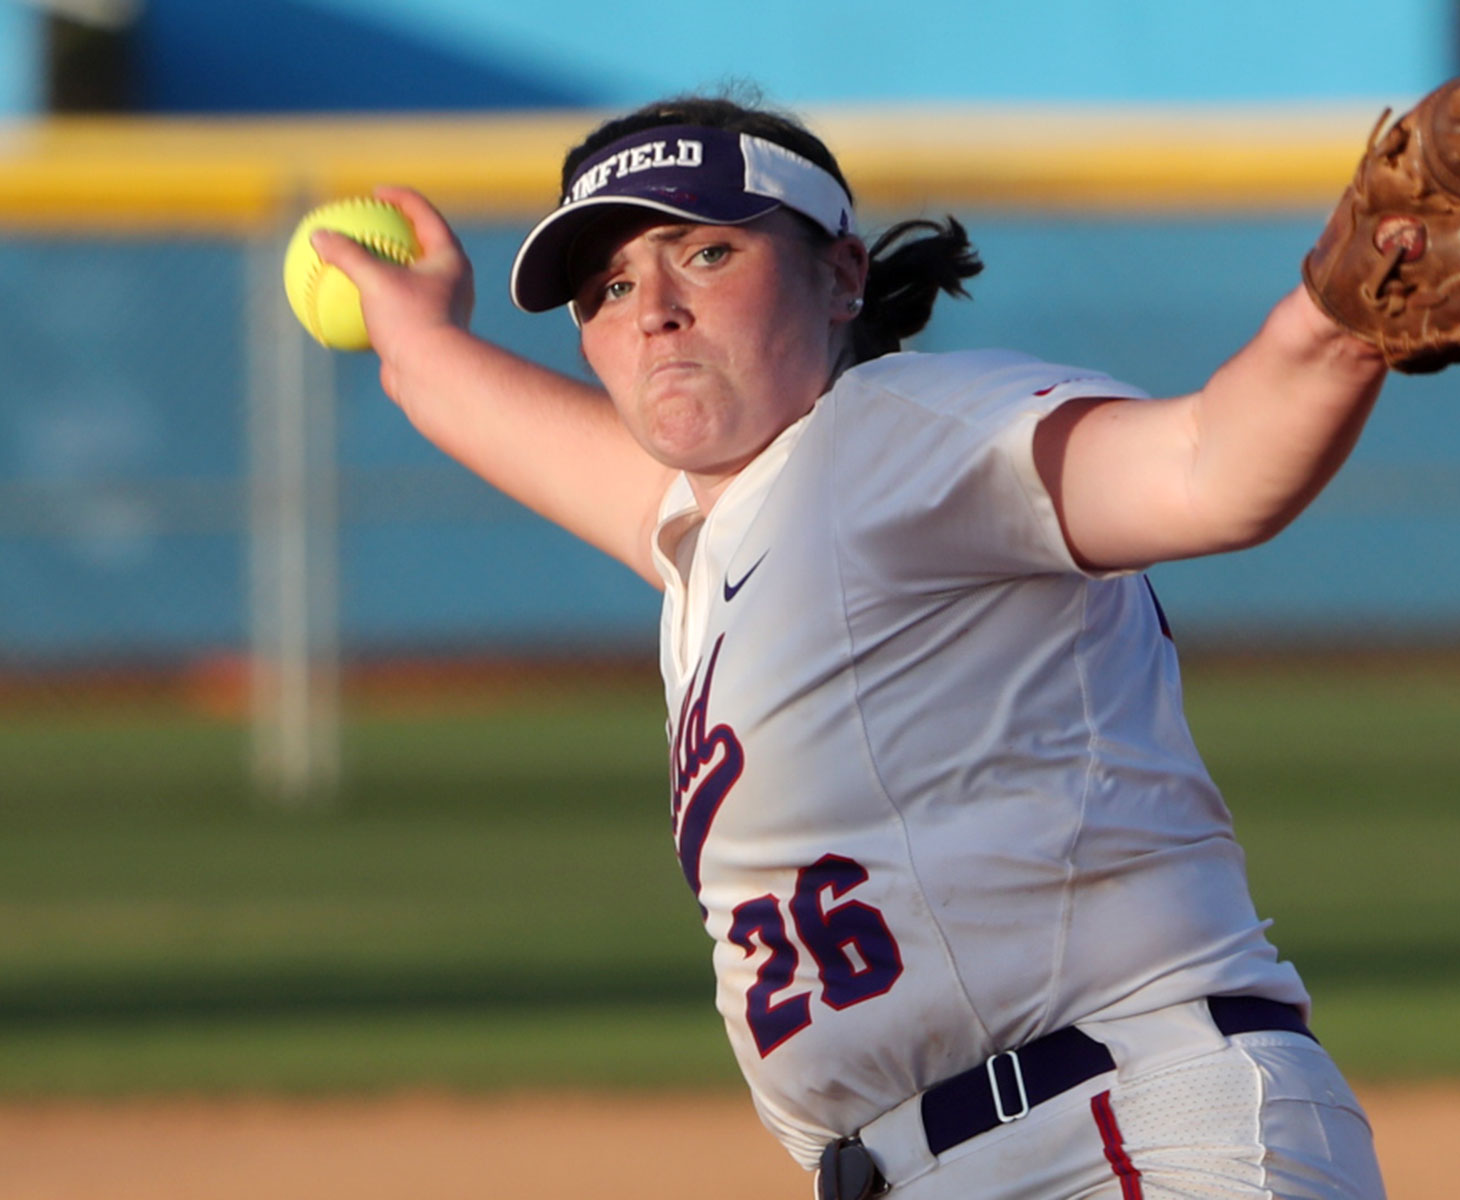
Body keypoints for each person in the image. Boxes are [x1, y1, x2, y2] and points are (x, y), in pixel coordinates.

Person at [315, 93, 1390, 1200]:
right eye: (612, 287)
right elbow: (480, 407)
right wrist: (420, 336)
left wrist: (1348, 314)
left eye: (708, 251)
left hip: (1118, 1136)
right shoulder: (714, 530)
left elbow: (1208, 465)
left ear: (841, 276)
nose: (656, 313)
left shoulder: (907, 438)